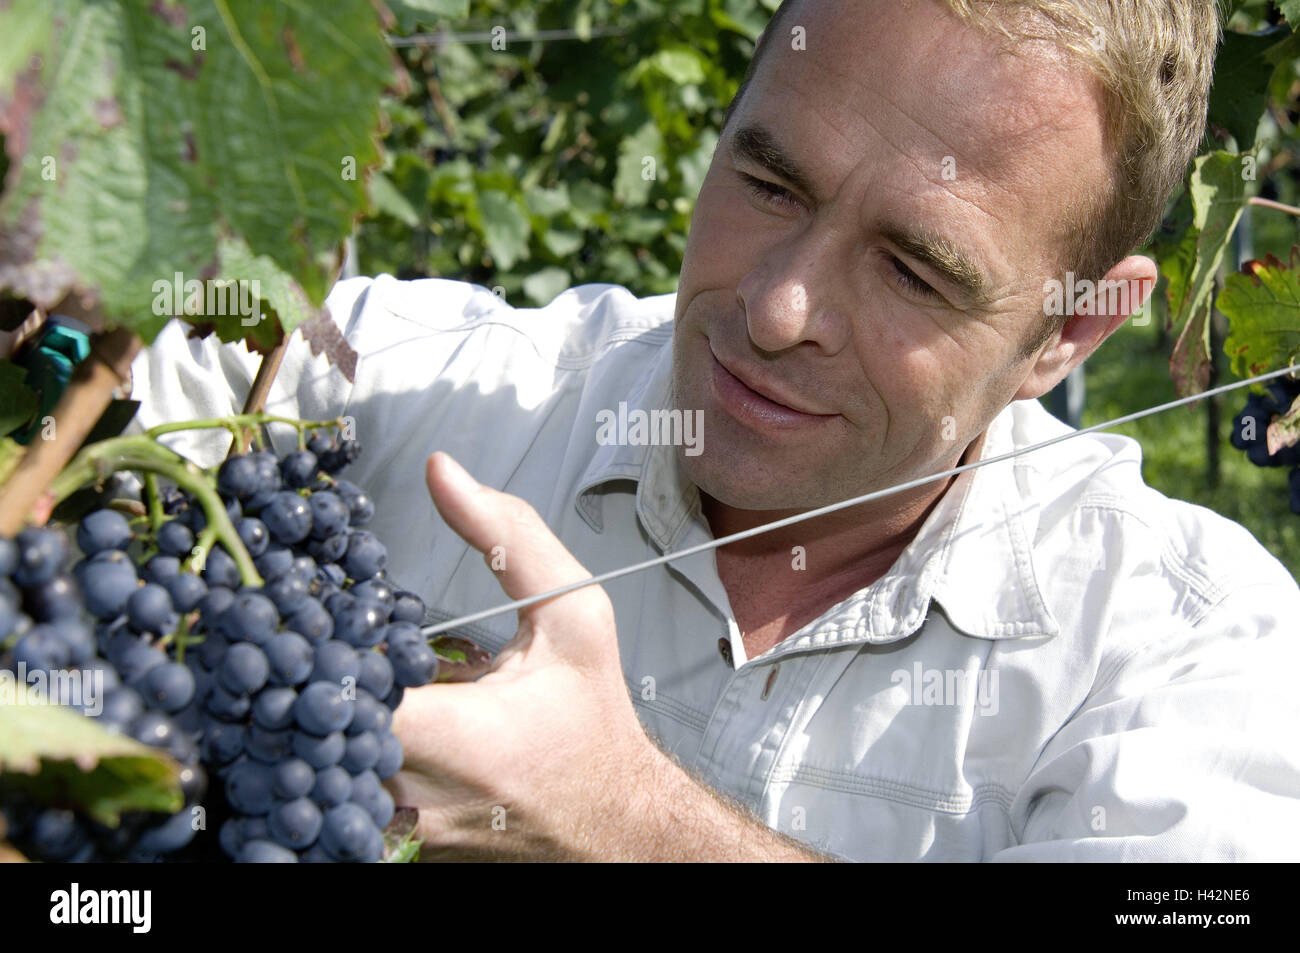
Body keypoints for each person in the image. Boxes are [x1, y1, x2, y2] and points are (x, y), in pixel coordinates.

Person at [128, 0, 1300, 861]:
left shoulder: (1196, 657)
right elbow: (128, 347)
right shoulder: (407, 389)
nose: (778, 308)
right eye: (771, 185)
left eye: (913, 270)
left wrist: (621, 818)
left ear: (1071, 334)